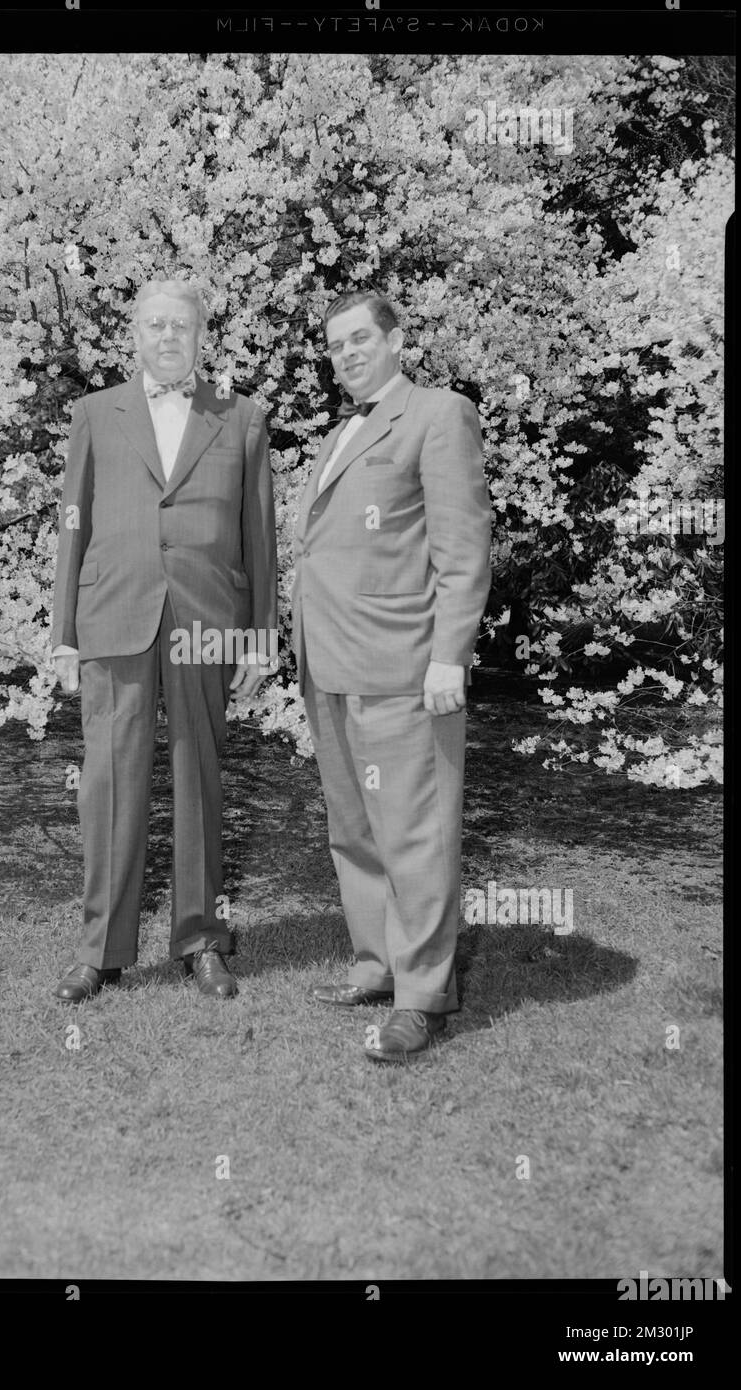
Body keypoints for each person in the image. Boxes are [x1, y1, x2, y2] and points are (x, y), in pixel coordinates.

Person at [50, 278, 277, 1001]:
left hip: (206, 622)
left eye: (181, 326)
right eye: (155, 325)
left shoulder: (241, 418)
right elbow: (72, 526)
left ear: (200, 334)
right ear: (135, 333)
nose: (168, 337)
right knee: (110, 782)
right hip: (113, 614)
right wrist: (63, 634)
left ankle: (202, 940)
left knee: (198, 776)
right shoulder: (94, 413)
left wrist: (260, 638)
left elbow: (260, 537)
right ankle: (100, 950)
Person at [291, 290, 492, 1061]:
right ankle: (376, 967)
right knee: (356, 831)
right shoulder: (343, 431)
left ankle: (421, 996)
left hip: (406, 666)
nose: (347, 355)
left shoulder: (439, 415)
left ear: (395, 339)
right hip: (331, 666)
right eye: (336, 345)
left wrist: (450, 655)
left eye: (360, 340)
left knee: (414, 833)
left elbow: (462, 547)